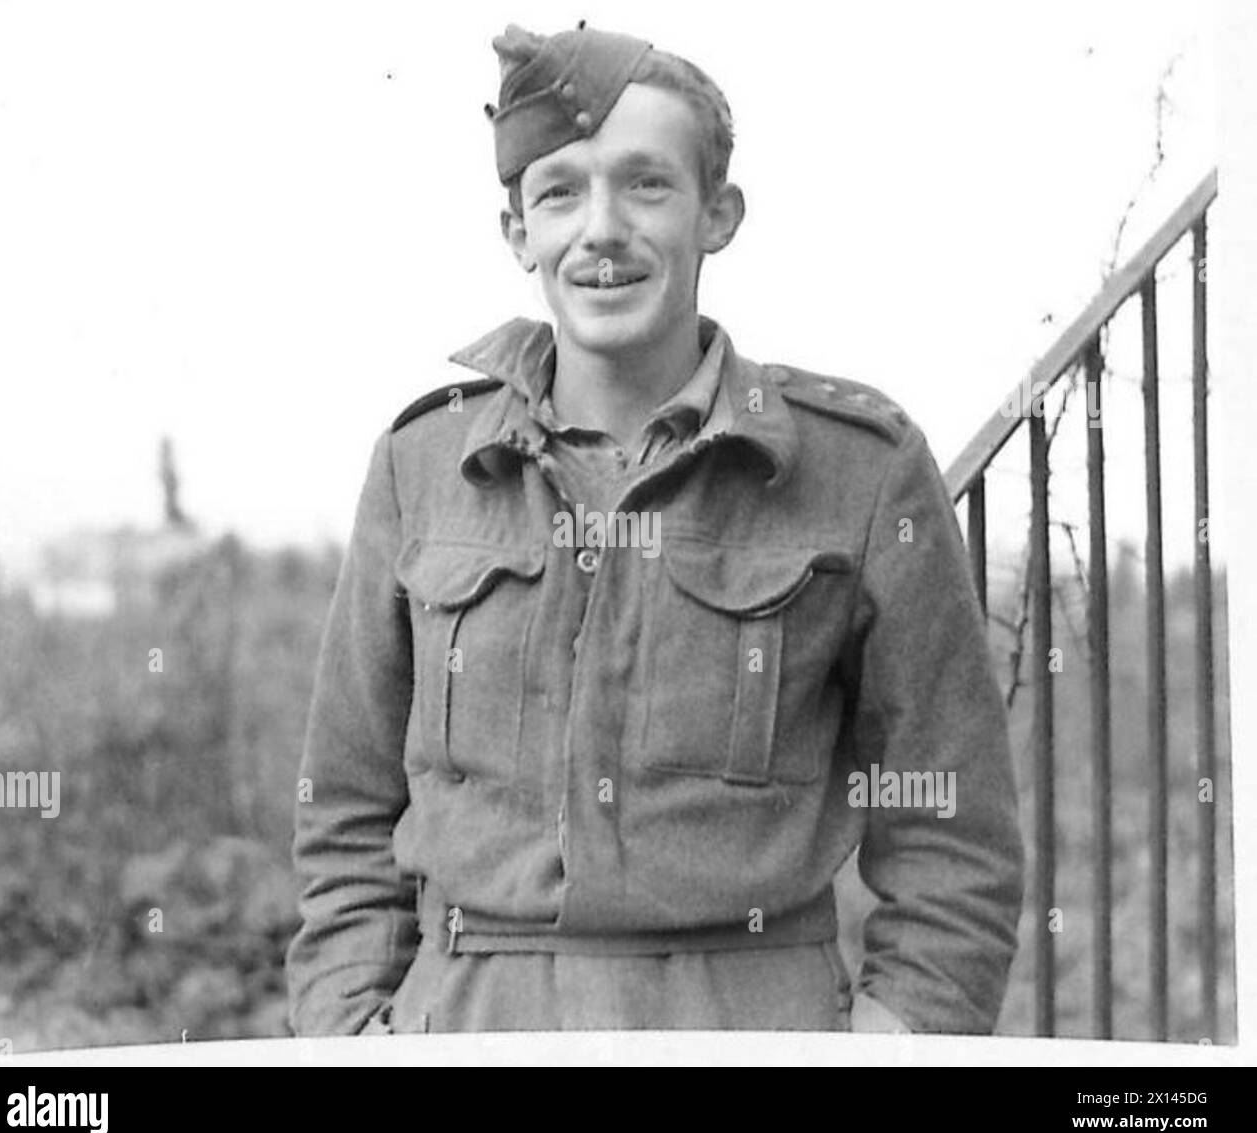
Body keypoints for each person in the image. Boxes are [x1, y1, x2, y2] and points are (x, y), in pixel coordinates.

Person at [285, 20, 1024, 1035]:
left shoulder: (858, 470)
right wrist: (349, 1036)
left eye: (645, 184)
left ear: (716, 214)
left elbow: (953, 832)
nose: (601, 229)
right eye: (559, 192)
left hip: (751, 1027)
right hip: (464, 1022)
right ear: (517, 235)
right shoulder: (425, 466)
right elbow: (346, 810)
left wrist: (891, 1048)